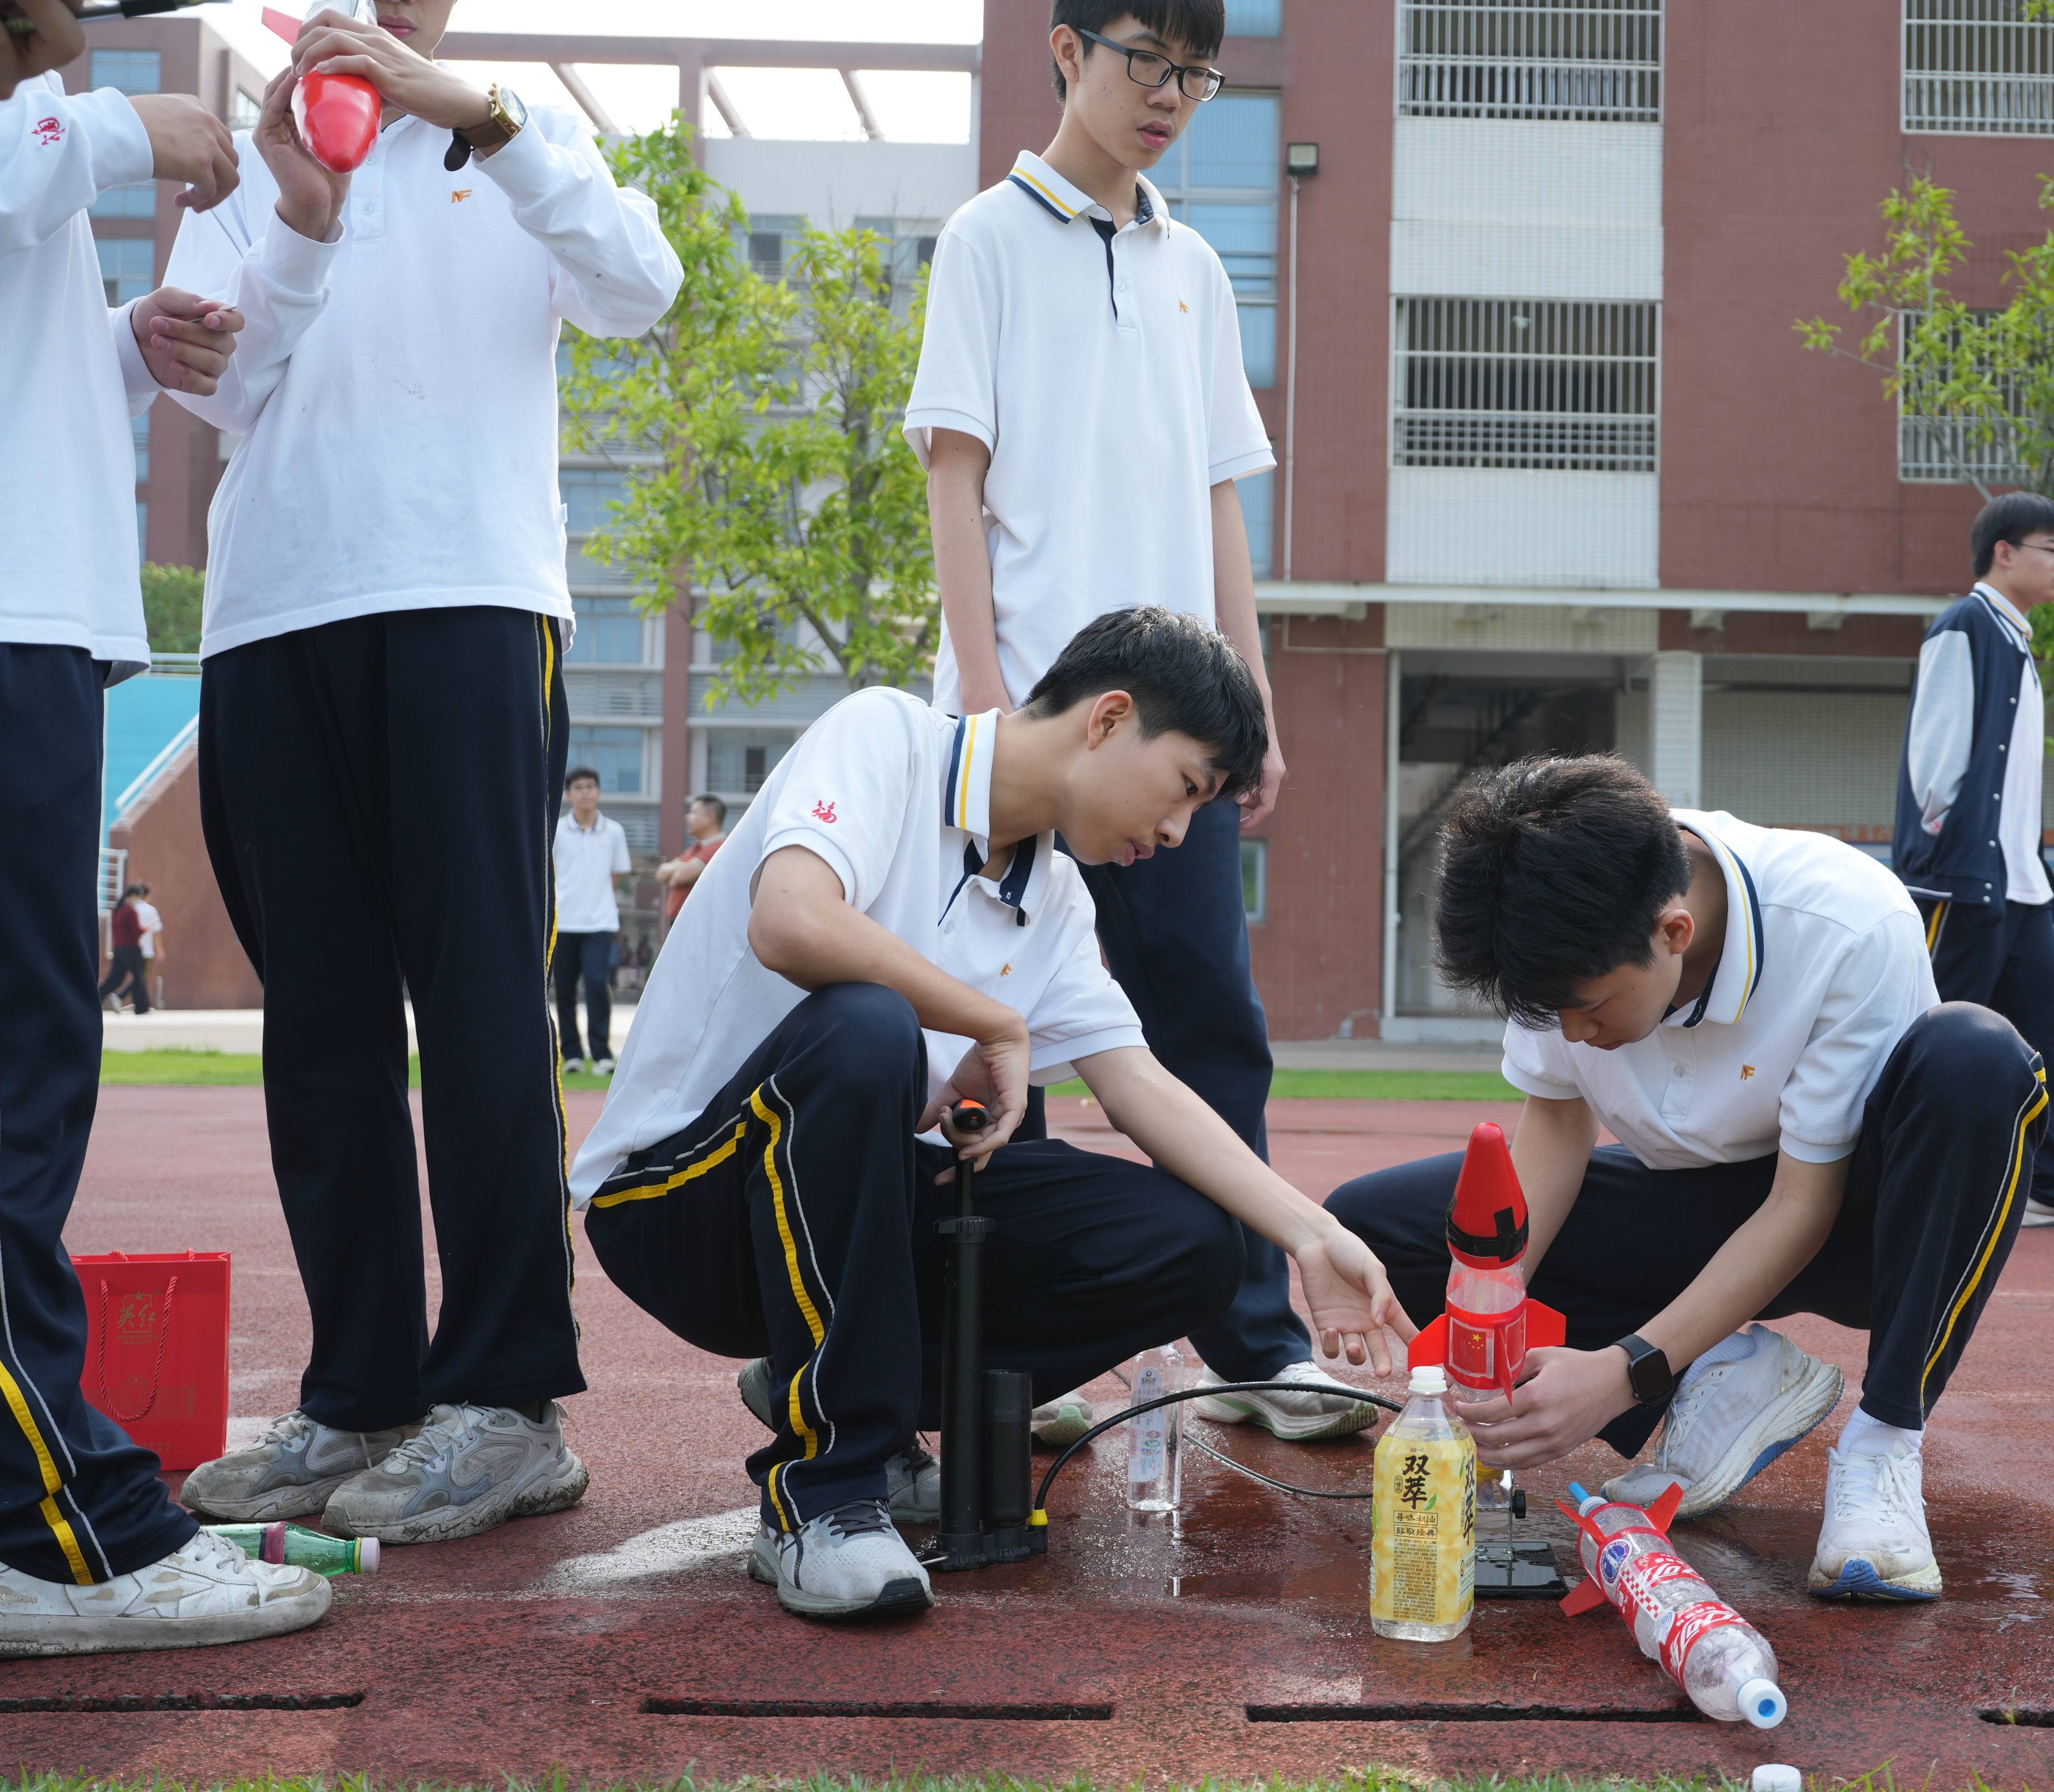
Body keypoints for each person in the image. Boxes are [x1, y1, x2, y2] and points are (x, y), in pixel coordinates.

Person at [573, 608, 1409, 1620]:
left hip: (856, 1211)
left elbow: (1139, 1083)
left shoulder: (1054, 896)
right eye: (1187, 787)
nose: (1181, 833)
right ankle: (825, 1492)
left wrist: (1311, 1236)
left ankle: (840, 1382)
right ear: (1108, 719)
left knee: (1194, 1245)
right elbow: (791, 919)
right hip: (683, 1198)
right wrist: (989, 1021)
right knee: (867, 1029)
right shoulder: (889, 737)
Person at [164, 0, 683, 1544]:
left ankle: (509, 1400)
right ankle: (360, 1391)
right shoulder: (243, 158)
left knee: (475, 1003)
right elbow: (216, 394)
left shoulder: (514, 125)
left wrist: (495, 122)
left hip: (469, 596)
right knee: (320, 1022)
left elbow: (638, 290)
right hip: (274, 607)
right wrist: (305, 229)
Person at [904, 0, 1364, 1445]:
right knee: (997, 1058)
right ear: (1064, 49)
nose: (1172, 95)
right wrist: (985, 704)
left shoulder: (1195, 267)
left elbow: (1221, 494)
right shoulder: (985, 237)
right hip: (1035, 742)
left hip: (1166, 743)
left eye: (1197, 72)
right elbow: (953, 478)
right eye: (1144, 62)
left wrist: (1255, 700)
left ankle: (1254, 1344)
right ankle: (1004, 1365)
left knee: (1210, 1032)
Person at [1329, 758, 2047, 1601]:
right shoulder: (1562, 924)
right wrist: (1489, 1316)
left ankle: (1883, 1443)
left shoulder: (1846, 923)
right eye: (1546, 1015)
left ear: (1674, 933)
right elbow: (1557, 1126)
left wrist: (1627, 1370)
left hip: (1859, 1223)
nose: (1572, 1033)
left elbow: (1801, 1202)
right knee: (1376, 1231)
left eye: (1589, 1008)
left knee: (1978, 1060)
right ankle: (1730, 1367)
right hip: (1689, 1199)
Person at [0, 0, 332, 1650]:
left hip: (38, 629)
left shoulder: (30, 139)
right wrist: (138, 128)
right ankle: (61, 1527)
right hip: (4, 641)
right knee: (17, 1088)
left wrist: (114, 348)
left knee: (31, 1078)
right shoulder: (49, 132)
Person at [1892, 493, 2054, 1230]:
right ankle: (1900, 1175)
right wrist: (1951, 844)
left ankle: (2048, 1185)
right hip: (1962, 878)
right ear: (2003, 553)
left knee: (2042, 1034)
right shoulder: (1966, 625)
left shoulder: (2016, 640)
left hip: (2019, 885)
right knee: (1935, 1033)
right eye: (2052, 549)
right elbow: (1936, 758)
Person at [553, 768, 631, 1073]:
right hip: (563, 923)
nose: (586, 792)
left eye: (591, 787)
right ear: (569, 794)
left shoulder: (614, 832)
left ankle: (601, 1054)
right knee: (565, 991)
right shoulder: (556, 830)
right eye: (579, 788)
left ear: (598, 792)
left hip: (600, 923)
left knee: (598, 984)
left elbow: (615, 876)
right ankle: (572, 1054)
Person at [653, 792, 726, 933]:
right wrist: (679, 870)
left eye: (693, 812)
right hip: (681, 923)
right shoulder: (696, 849)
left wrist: (675, 871)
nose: (687, 817)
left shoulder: (719, 847)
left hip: (696, 925)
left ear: (711, 817)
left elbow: (681, 877)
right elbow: (661, 874)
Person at [99, 884, 154, 1016]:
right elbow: (136, 931)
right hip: (132, 949)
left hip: (119, 949)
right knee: (140, 978)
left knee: (115, 979)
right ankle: (142, 1008)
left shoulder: (118, 911)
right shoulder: (130, 911)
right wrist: (146, 928)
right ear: (133, 896)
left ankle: (96, 998)